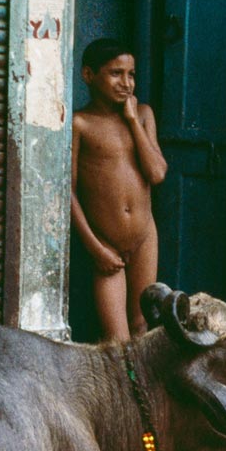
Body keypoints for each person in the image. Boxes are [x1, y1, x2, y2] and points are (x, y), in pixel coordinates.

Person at [71, 39, 168, 342]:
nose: (126, 83)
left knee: (141, 328)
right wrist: (95, 247)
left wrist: (132, 120)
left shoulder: (142, 114)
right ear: (89, 75)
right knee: (116, 338)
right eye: (116, 73)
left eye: (132, 74)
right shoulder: (81, 124)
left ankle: (138, 391)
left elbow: (156, 172)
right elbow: (68, 192)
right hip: (105, 240)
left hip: (144, 237)